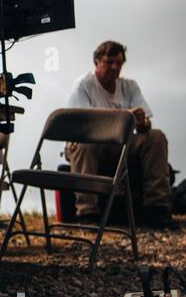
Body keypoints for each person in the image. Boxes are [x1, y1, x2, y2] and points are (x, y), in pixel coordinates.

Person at [66, 41, 173, 227]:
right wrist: (121, 118)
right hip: (91, 143)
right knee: (85, 144)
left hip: (122, 144)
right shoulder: (83, 85)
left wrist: (142, 123)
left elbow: (145, 125)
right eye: (109, 62)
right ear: (97, 61)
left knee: (155, 137)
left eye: (119, 63)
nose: (115, 67)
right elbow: (82, 126)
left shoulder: (129, 86)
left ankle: (157, 208)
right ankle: (87, 211)